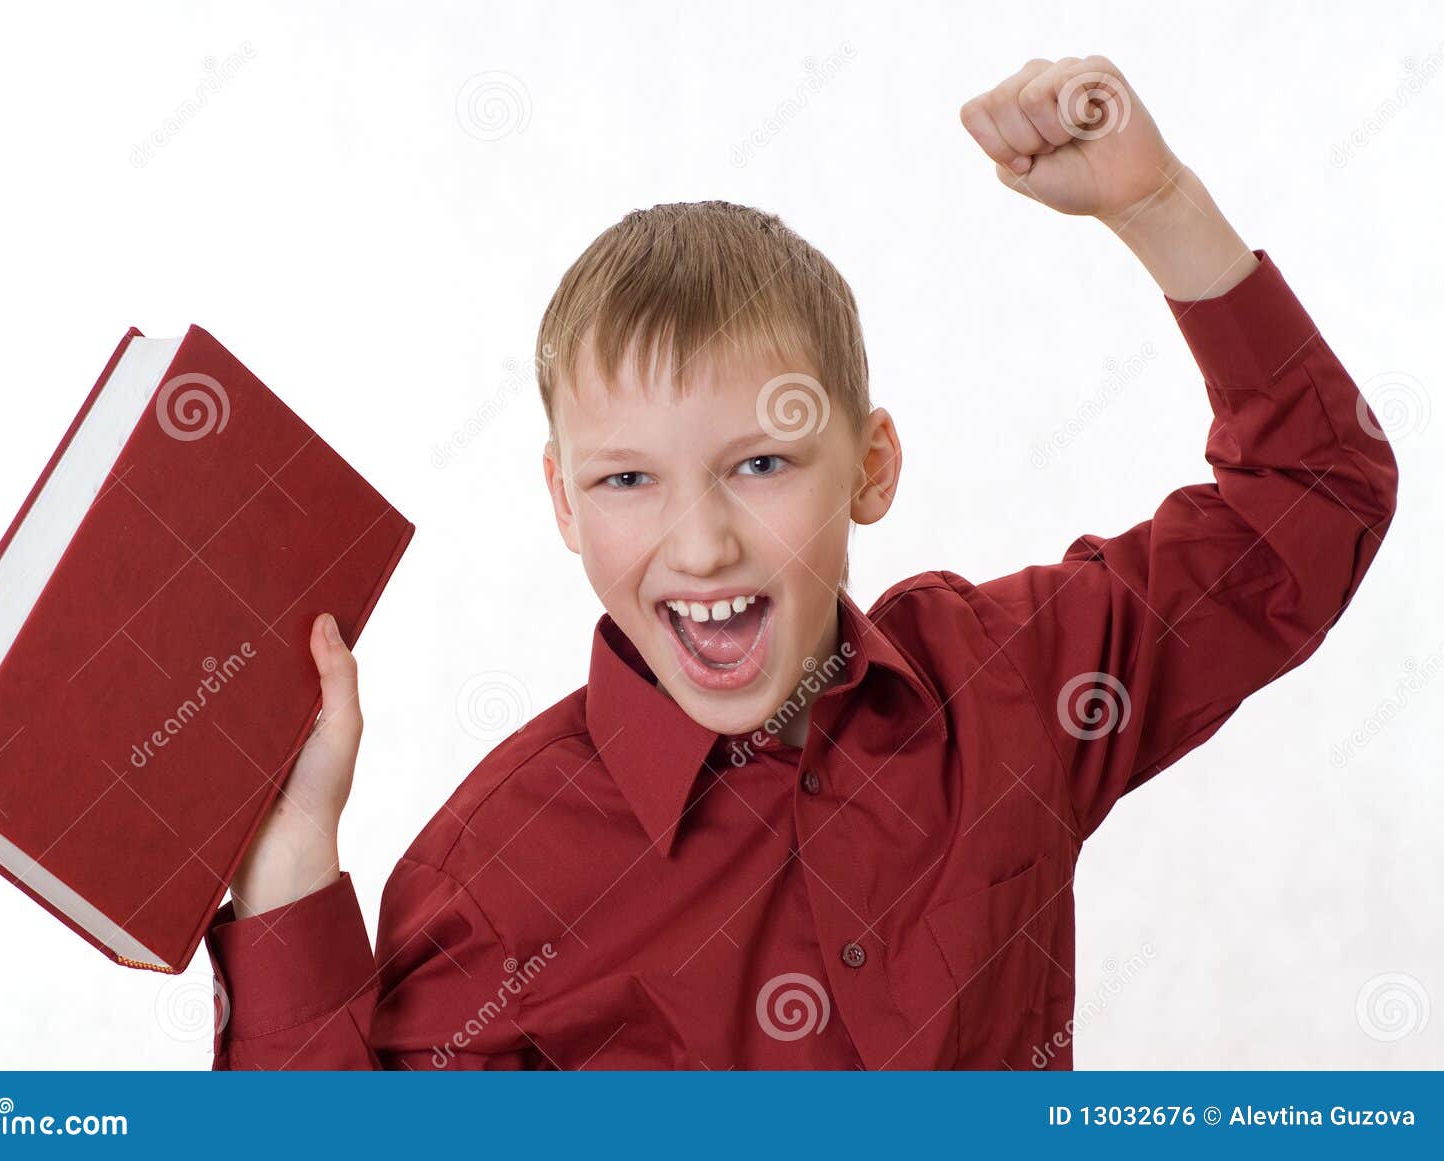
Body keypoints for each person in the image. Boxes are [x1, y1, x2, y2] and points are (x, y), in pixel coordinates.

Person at [204, 55, 1399, 1069]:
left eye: (760, 465)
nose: (704, 540)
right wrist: (293, 862)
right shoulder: (498, 870)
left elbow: (1309, 500)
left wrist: (1158, 203)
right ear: (564, 503)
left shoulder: (1012, 690)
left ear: (871, 468)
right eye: (629, 479)